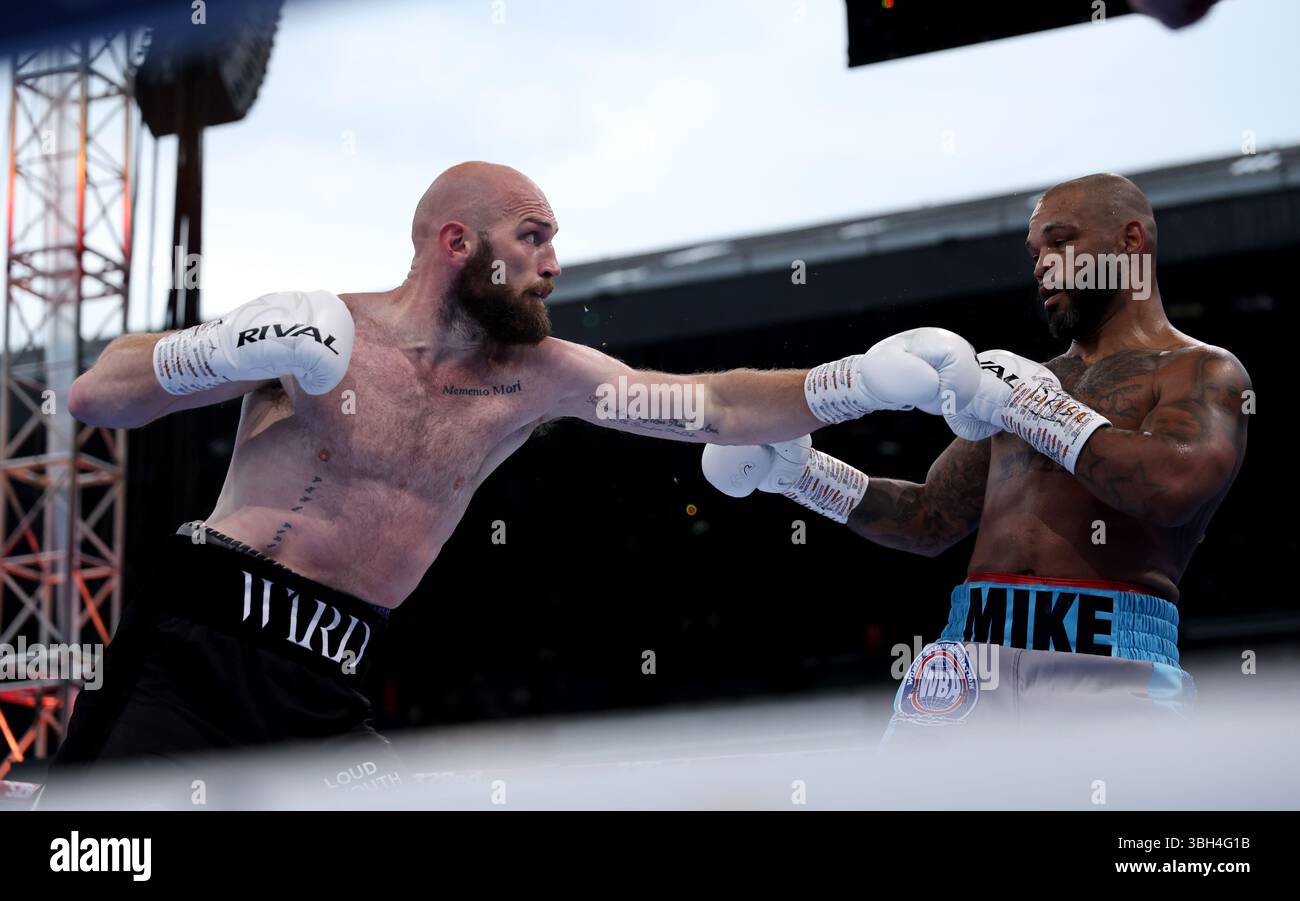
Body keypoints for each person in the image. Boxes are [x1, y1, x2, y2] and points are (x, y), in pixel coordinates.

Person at [50, 161, 981, 785]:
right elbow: (98, 395)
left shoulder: (535, 378)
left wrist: (849, 383)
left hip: (327, 687)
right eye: (532, 237)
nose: (552, 263)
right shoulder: (319, 328)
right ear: (459, 243)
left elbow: (710, 405)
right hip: (192, 655)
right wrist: (213, 348)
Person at [702, 173, 1251, 742]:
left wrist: (1034, 409)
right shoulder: (1023, 383)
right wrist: (799, 475)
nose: (1041, 265)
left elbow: (1173, 486)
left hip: (1111, 664)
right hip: (966, 661)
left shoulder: (1202, 371)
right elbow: (929, 518)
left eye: (1060, 242)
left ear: (1132, 241)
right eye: (1035, 253)